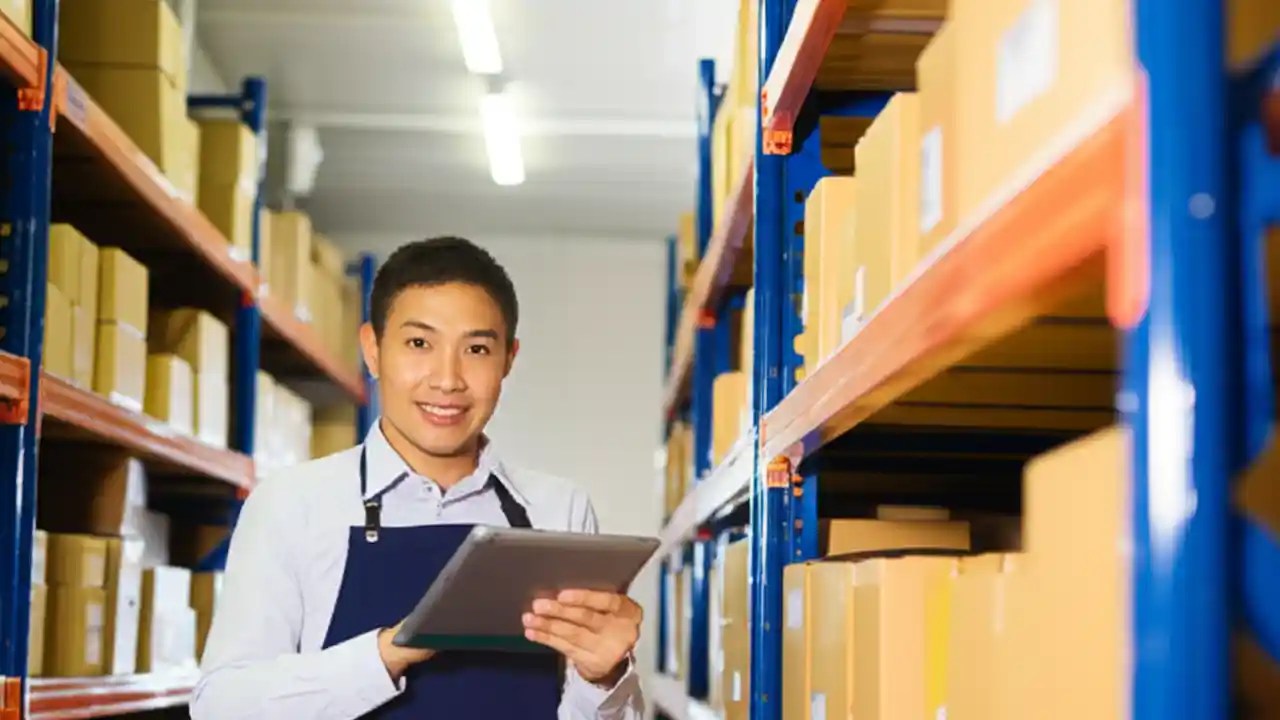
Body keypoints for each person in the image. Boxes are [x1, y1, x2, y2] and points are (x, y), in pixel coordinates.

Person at [191, 237, 646, 719]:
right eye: (419, 344)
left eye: (476, 349)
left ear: (508, 359)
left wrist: (604, 678)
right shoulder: (293, 504)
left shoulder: (559, 510)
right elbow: (221, 706)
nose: (447, 379)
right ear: (373, 349)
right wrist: (387, 654)